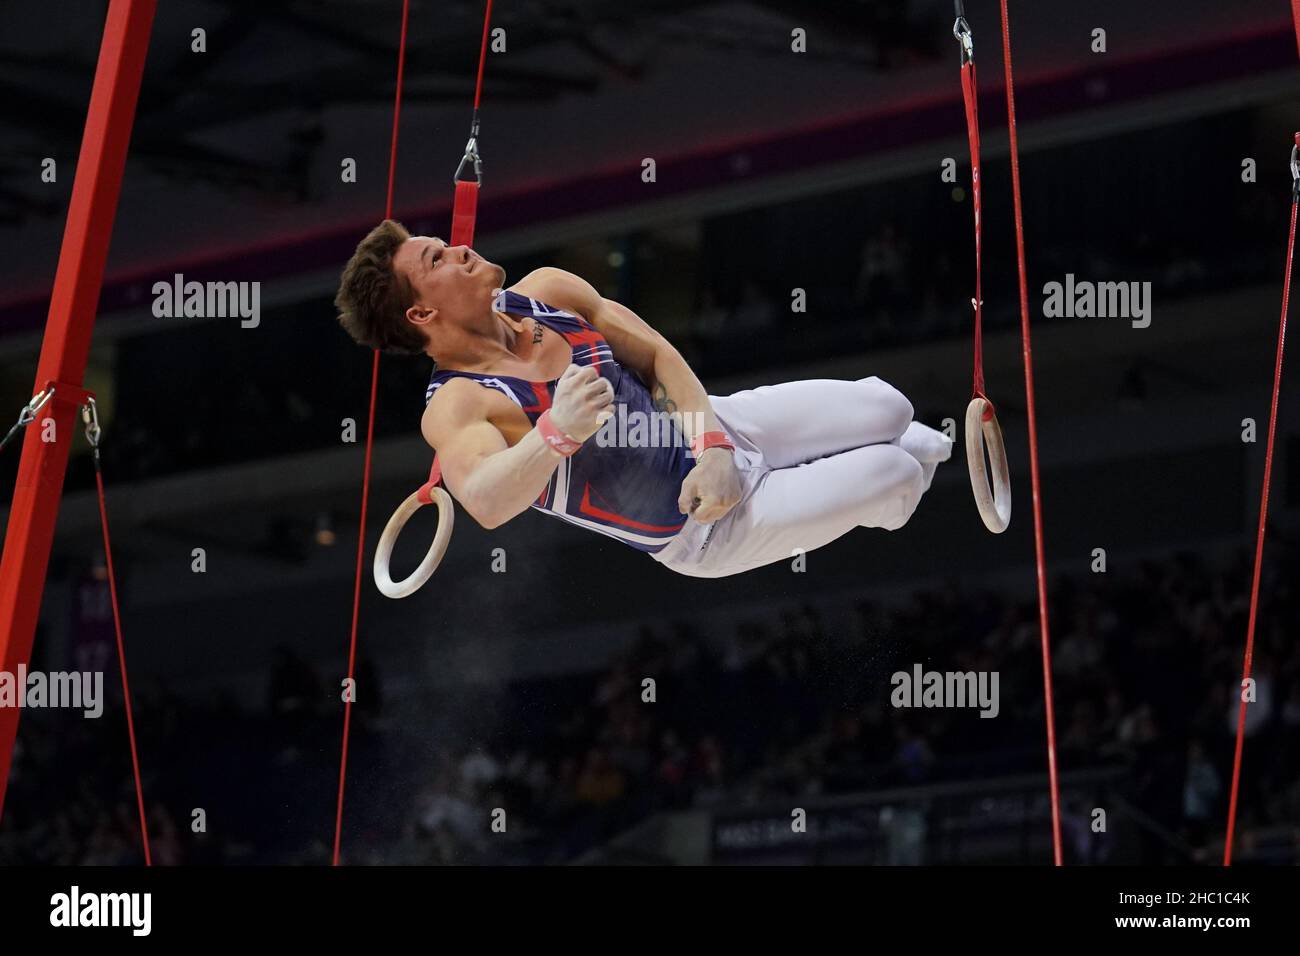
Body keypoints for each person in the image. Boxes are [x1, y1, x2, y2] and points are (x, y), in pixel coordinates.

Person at [334, 220, 951, 578]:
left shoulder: (548, 290)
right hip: (707, 529)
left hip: (724, 429)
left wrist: (711, 447)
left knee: (888, 406)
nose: (460, 247)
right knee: (892, 469)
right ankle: (895, 491)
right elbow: (488, 503)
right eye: (438, 258)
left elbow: (656, 353)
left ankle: (899, 445)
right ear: (420, 311)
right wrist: (557, 433)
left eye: (441, 240)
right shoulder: (459, 404)